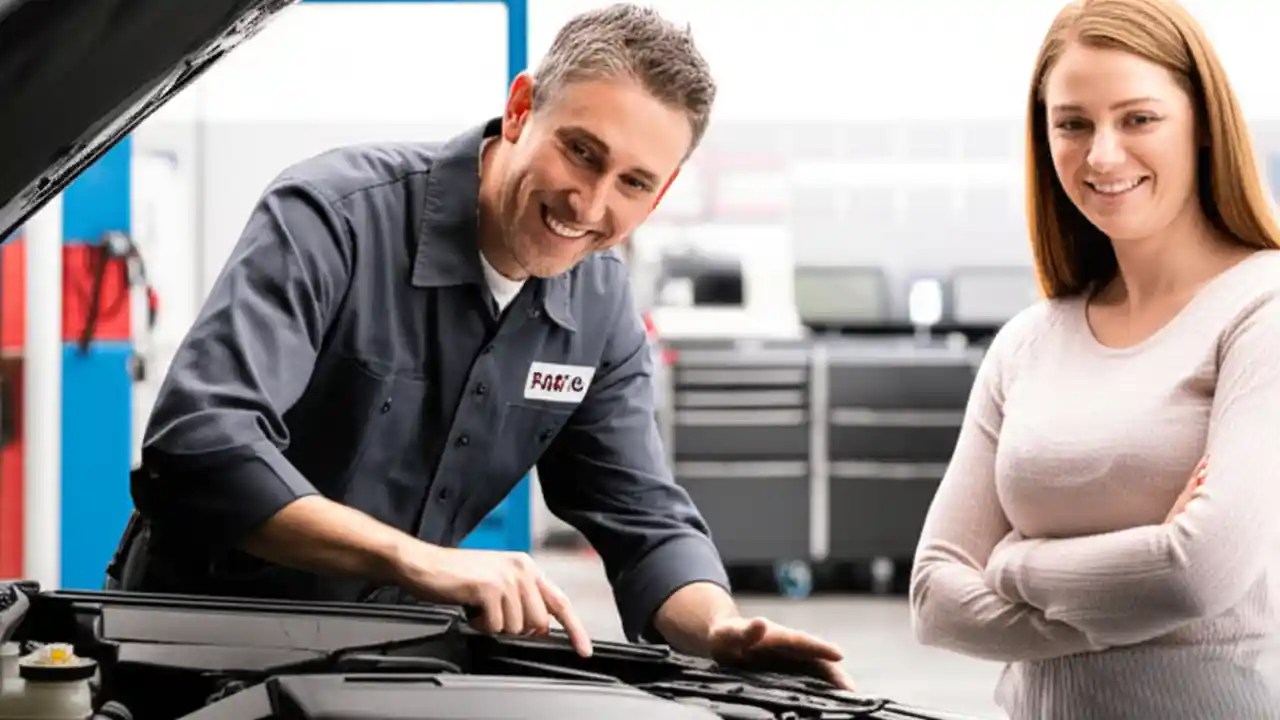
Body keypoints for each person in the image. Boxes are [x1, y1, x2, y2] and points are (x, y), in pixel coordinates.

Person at [105, 3, 853, 689]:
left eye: (633, 182)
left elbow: (643, 517)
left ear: (659, 195)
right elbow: (202, 446)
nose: (590, 206)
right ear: (522, 108)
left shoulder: (599, 308)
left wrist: (719, 629)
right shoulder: (333, 219)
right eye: (582, 152)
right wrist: (420, 560)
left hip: (389, 667)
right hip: (193, 649)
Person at [908, 0, 1280, 717]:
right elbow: (934, 594)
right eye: (1073, 124)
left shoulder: (1262, 308)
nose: (1102, 154)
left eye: (1138, 119)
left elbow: (1193, 575)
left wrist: (1014, 564)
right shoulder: (1029, 341)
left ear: (1203, 125)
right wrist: (1124, 590)